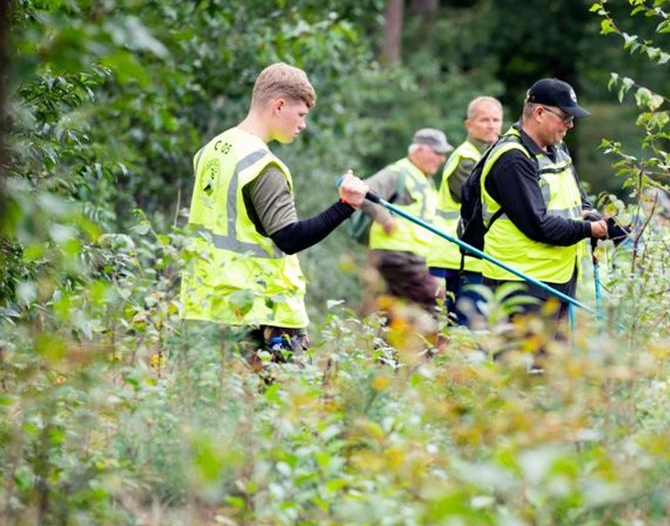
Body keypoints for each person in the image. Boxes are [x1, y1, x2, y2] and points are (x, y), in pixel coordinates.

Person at [179, 62, 368, 362]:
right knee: (279, 406)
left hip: (206, 306)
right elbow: (289, 238)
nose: (303, 125)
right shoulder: (262, 165)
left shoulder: (211, 150)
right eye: (301, 114)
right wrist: (346, 206)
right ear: (279, 106)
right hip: (260, 312)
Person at [475, 78, 614, 328]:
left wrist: (595, 218)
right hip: (519, 284)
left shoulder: (558, 150)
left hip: (555, 282)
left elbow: (577, 200)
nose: (571, 125)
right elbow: (538, 225)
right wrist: (588, 230)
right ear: (540, 113)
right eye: (566, 117)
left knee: (554, 366)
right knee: (524, 367)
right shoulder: (512, 159)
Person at [361, 128, 452, 326]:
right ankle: (428, 355)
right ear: (418, 150)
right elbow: (363, 191)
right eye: (437, 153)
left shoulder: (425, 180)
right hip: (398, 255)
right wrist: (384, 219)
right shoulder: (397, 172)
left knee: (393, 315)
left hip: (412, 256)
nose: (442, 158)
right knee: (436, 301)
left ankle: (389, 355)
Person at [426, 96, 503, 328]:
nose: (491, 125)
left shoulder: (491, 156)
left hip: (472, 259)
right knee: (468, 331)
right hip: (457, 259)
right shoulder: (465, 159)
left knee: (465, 330)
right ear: (468, 124)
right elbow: (487, 204)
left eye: (496, 119)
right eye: (484, 120)